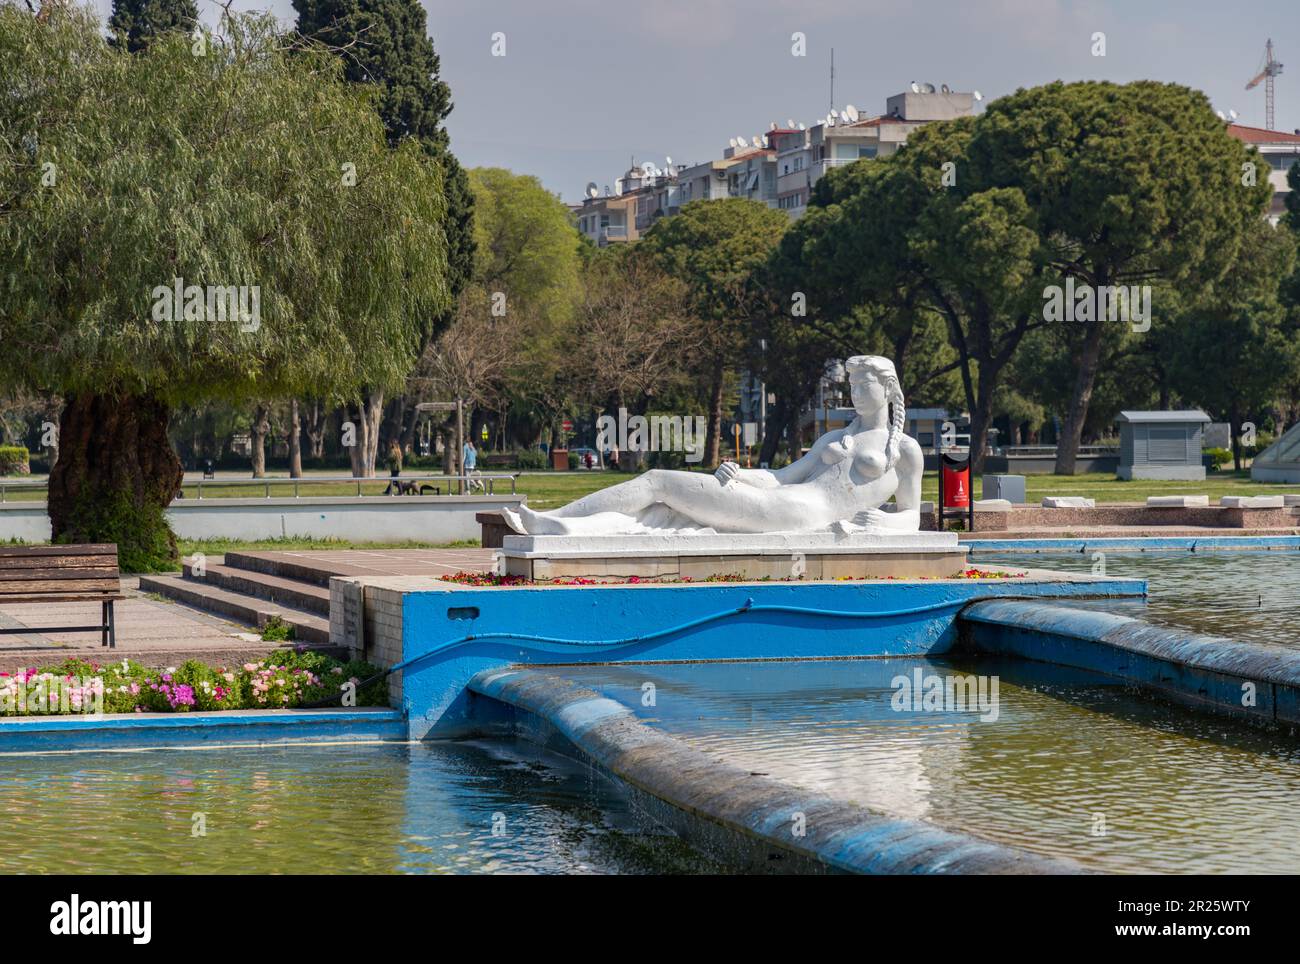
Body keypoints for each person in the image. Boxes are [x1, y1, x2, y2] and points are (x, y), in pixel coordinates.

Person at [501, 355, 923, 535]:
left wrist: (887, 524)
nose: (854, 392)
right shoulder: (834, 437)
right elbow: (780, 477)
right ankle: (566, 526)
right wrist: (740, 474)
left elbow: (912, 517)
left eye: (863, 384)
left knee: (657, 482)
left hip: (798, 516)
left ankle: (550, 518)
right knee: (662, 510)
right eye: (850, 383)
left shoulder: (903, 449)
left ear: (888, 389)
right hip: (783, 502)